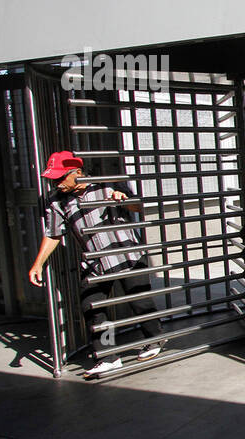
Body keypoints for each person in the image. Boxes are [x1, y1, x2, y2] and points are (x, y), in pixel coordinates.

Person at [27, 151, 165, 377]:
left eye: (61, 178)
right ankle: (108, 356)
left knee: (140, 302)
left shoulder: (106, 185)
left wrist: (124, 199)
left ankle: (155, 338)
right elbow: (53, 234)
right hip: (95, 263)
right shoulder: (56, 201)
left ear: (78, 173)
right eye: (53, 179)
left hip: (127, 255)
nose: (57, 183)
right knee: (92, 308)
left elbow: (139, 207)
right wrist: (38, 264)